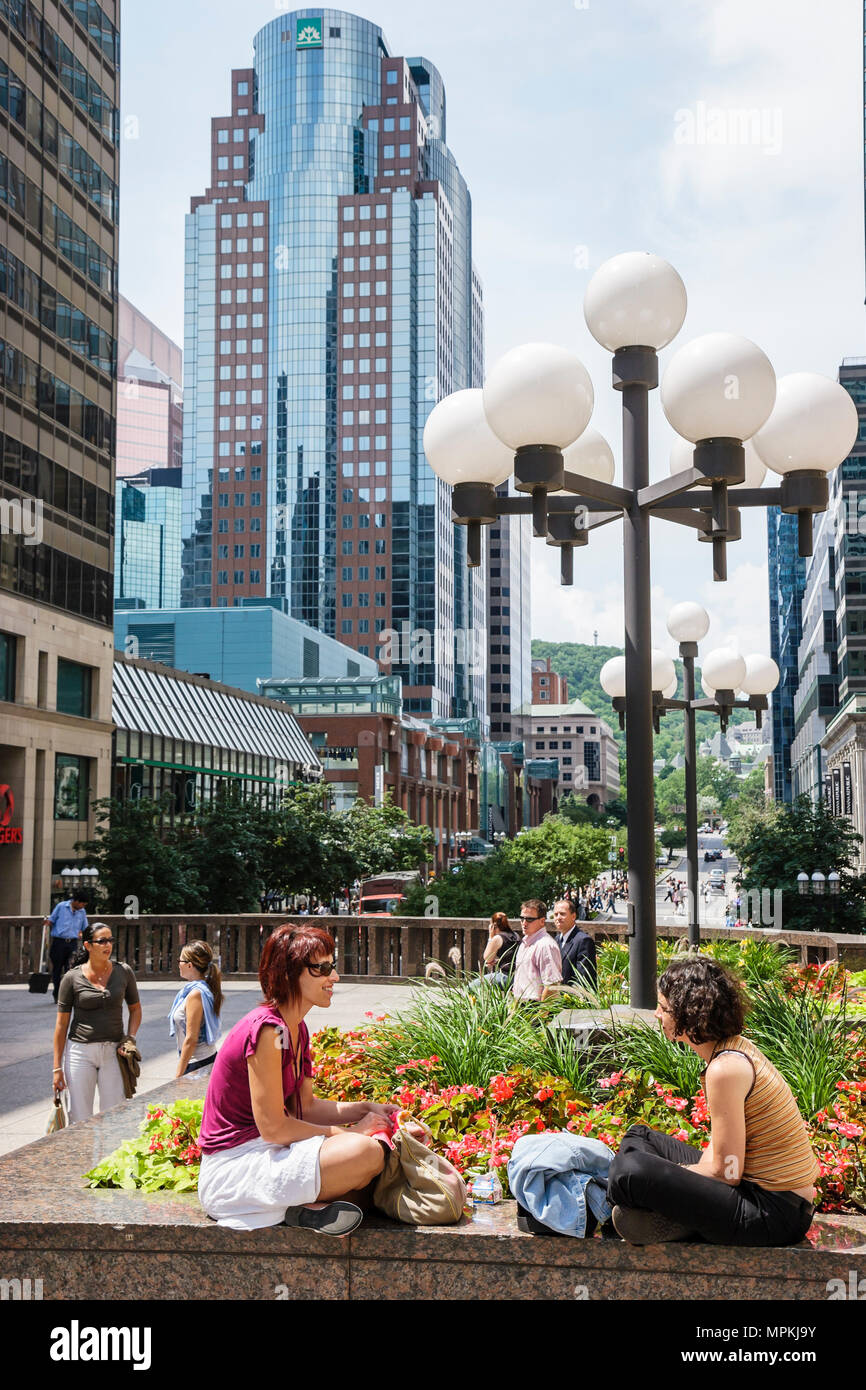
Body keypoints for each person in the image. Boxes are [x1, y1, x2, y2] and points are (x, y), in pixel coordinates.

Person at [197, 923, 397, 1234]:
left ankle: (301, 1210)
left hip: (272, 1156)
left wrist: (366, 1109)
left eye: (333, 966)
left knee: (375, 1163)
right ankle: (298, 1207)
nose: (335, 977)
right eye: (323, 968)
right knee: (364, 1153)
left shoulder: (296, 1029)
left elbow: (306, 1107)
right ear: (290, 973)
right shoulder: (268, 1030)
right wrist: (350, 1134)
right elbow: (275, 1127)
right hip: (234, 1171)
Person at [607, 954, 818, 1247]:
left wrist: (675, 1178)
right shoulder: (732, 1049)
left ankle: (677, 1217)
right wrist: (679, 1184)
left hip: (773, 1214)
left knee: (629, 1172)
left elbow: (727, 1172)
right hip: (754, 1192)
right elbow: (722, 1155)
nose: (657, 1014)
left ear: (688, 1014)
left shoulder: (726, 1068)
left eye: (664, 1008)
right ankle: (683, 1217)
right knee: (639, 1136)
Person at [52, 923, 142, 1124]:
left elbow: (135, 1009)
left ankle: (108, 1156)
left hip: (114, 1051)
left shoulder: (123, 971)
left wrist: (131, 1038)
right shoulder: (71, 978)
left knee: (114, 1115)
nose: (107, 945)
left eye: (110, 940)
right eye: (102, 941)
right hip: (80, 1053)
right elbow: (61, 1026)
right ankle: (83, 1156)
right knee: (80, 1116)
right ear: (88, 945)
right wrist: (57, 1069)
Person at [170, 940, 224, 1079]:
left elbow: (191, 1038)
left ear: (189, 965)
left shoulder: (196, 994)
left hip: (199, 1065)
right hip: (199, 1062)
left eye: (180, 960)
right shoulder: (199, 989)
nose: (178, 964)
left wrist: (178, 1074)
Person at [511, 900, 562, 1003]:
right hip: (521, 1006)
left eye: (529, 919)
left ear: (542, 921)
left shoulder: (545, 945)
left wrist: (541, 1015)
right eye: (522, 918)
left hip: (535, 1008)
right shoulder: (524, 943)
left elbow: (551, 986)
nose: (524, 923)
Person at [44, 893, 88, 1004]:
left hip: (72, 943)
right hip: (59, 942)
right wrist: (48, 922)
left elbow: (85, 927)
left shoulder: (82, 912)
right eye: (82, 904)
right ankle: (57, 994)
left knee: (71, 970)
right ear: (76, 901)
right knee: (57, 969)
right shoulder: (61, 906)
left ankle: (69, 995)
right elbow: (52, 920)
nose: (83, 907)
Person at [552, 899, 597, 990]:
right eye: (556, 914)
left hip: (573, 1000)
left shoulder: (583, 941)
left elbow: (584, 978)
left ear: (573, 916)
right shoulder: (556, 940)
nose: (558, 917)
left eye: (562, 914)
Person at [479, 912, 522, 987]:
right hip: (518, 976)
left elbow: (487, 958)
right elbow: (512, 956)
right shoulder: (515, 935)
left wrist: (490, 937)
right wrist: (498, 961)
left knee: (472, 986)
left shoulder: (498, 938)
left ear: (493, 925)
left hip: (505, 977)